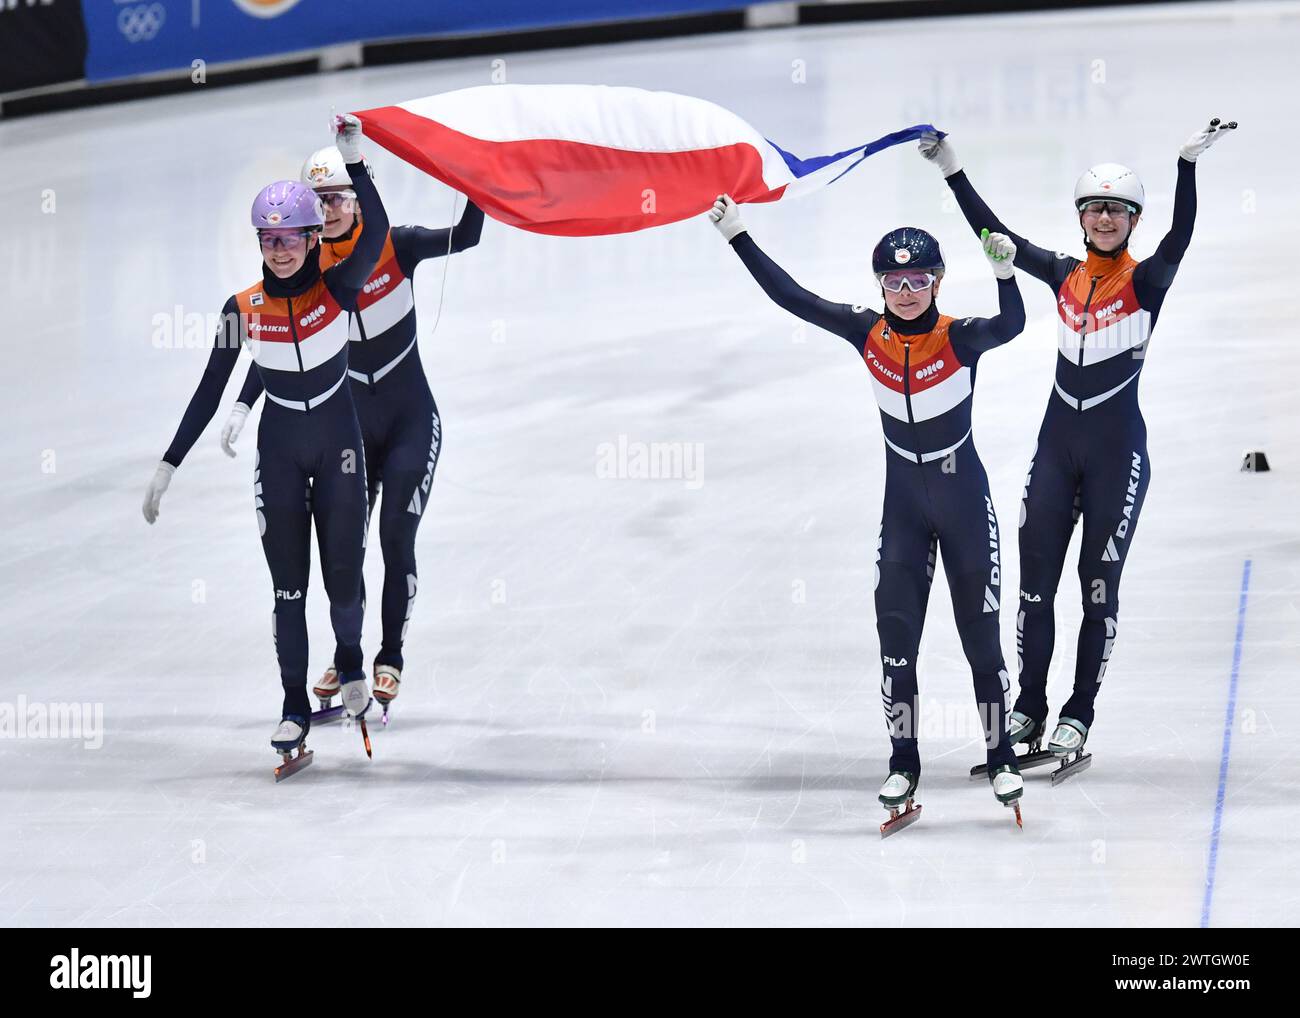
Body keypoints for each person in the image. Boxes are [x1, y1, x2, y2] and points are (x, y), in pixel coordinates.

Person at [919, 118, 1236, 767]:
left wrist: (1186, 165)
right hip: (1056, 448)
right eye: (1094, 208)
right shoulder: (1063, 274)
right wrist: (952, 168)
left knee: (1097, 584)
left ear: (1132, 220)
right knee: (1035, 585)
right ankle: (1029, 706)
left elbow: (1181, 238)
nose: (1104, 218)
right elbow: (996, 236)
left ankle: (1078, 713)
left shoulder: (1147, 283)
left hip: (1118, 454)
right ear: (1081, 217)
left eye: (1117, 210)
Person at [708, 194, 1028, 830]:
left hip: (963, 500)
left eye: (917, 280)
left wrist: (1005, 273)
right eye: (892, 280)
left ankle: (999, 758)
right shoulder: (867, 332)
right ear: (878, 284)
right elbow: (793, 298)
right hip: (904, 507)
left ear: (936, 281)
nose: (905, 292)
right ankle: (903, 761)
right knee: (896, 644)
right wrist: (738, 233)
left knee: (981, 645)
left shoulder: (959, 337)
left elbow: (1012, 326)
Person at [141, 116, 390, 762]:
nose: (279, 249)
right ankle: (291, 709)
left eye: (290, 238)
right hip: (279, 451)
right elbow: (207, 389)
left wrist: (354, 159)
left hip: (339, 444)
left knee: (342, 579)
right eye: (268, 238)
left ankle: (352, 661)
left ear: (313, 239)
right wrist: (169, 463)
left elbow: (379, 232)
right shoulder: (242, 308)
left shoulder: (339, 288)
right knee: (287, 590)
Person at [220, 146, 483, 717]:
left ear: (358, 198)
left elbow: (466, 236)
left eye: (338, 196)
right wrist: (243, 402)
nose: (330, 209)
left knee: (395, 536)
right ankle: (350, 653)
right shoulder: (312, 269)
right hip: (349, 434)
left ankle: (391, 655)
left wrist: (476, 177)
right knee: (348, 551)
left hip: (410, 416)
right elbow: (276, 342)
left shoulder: (396, 244)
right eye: (319, 202)